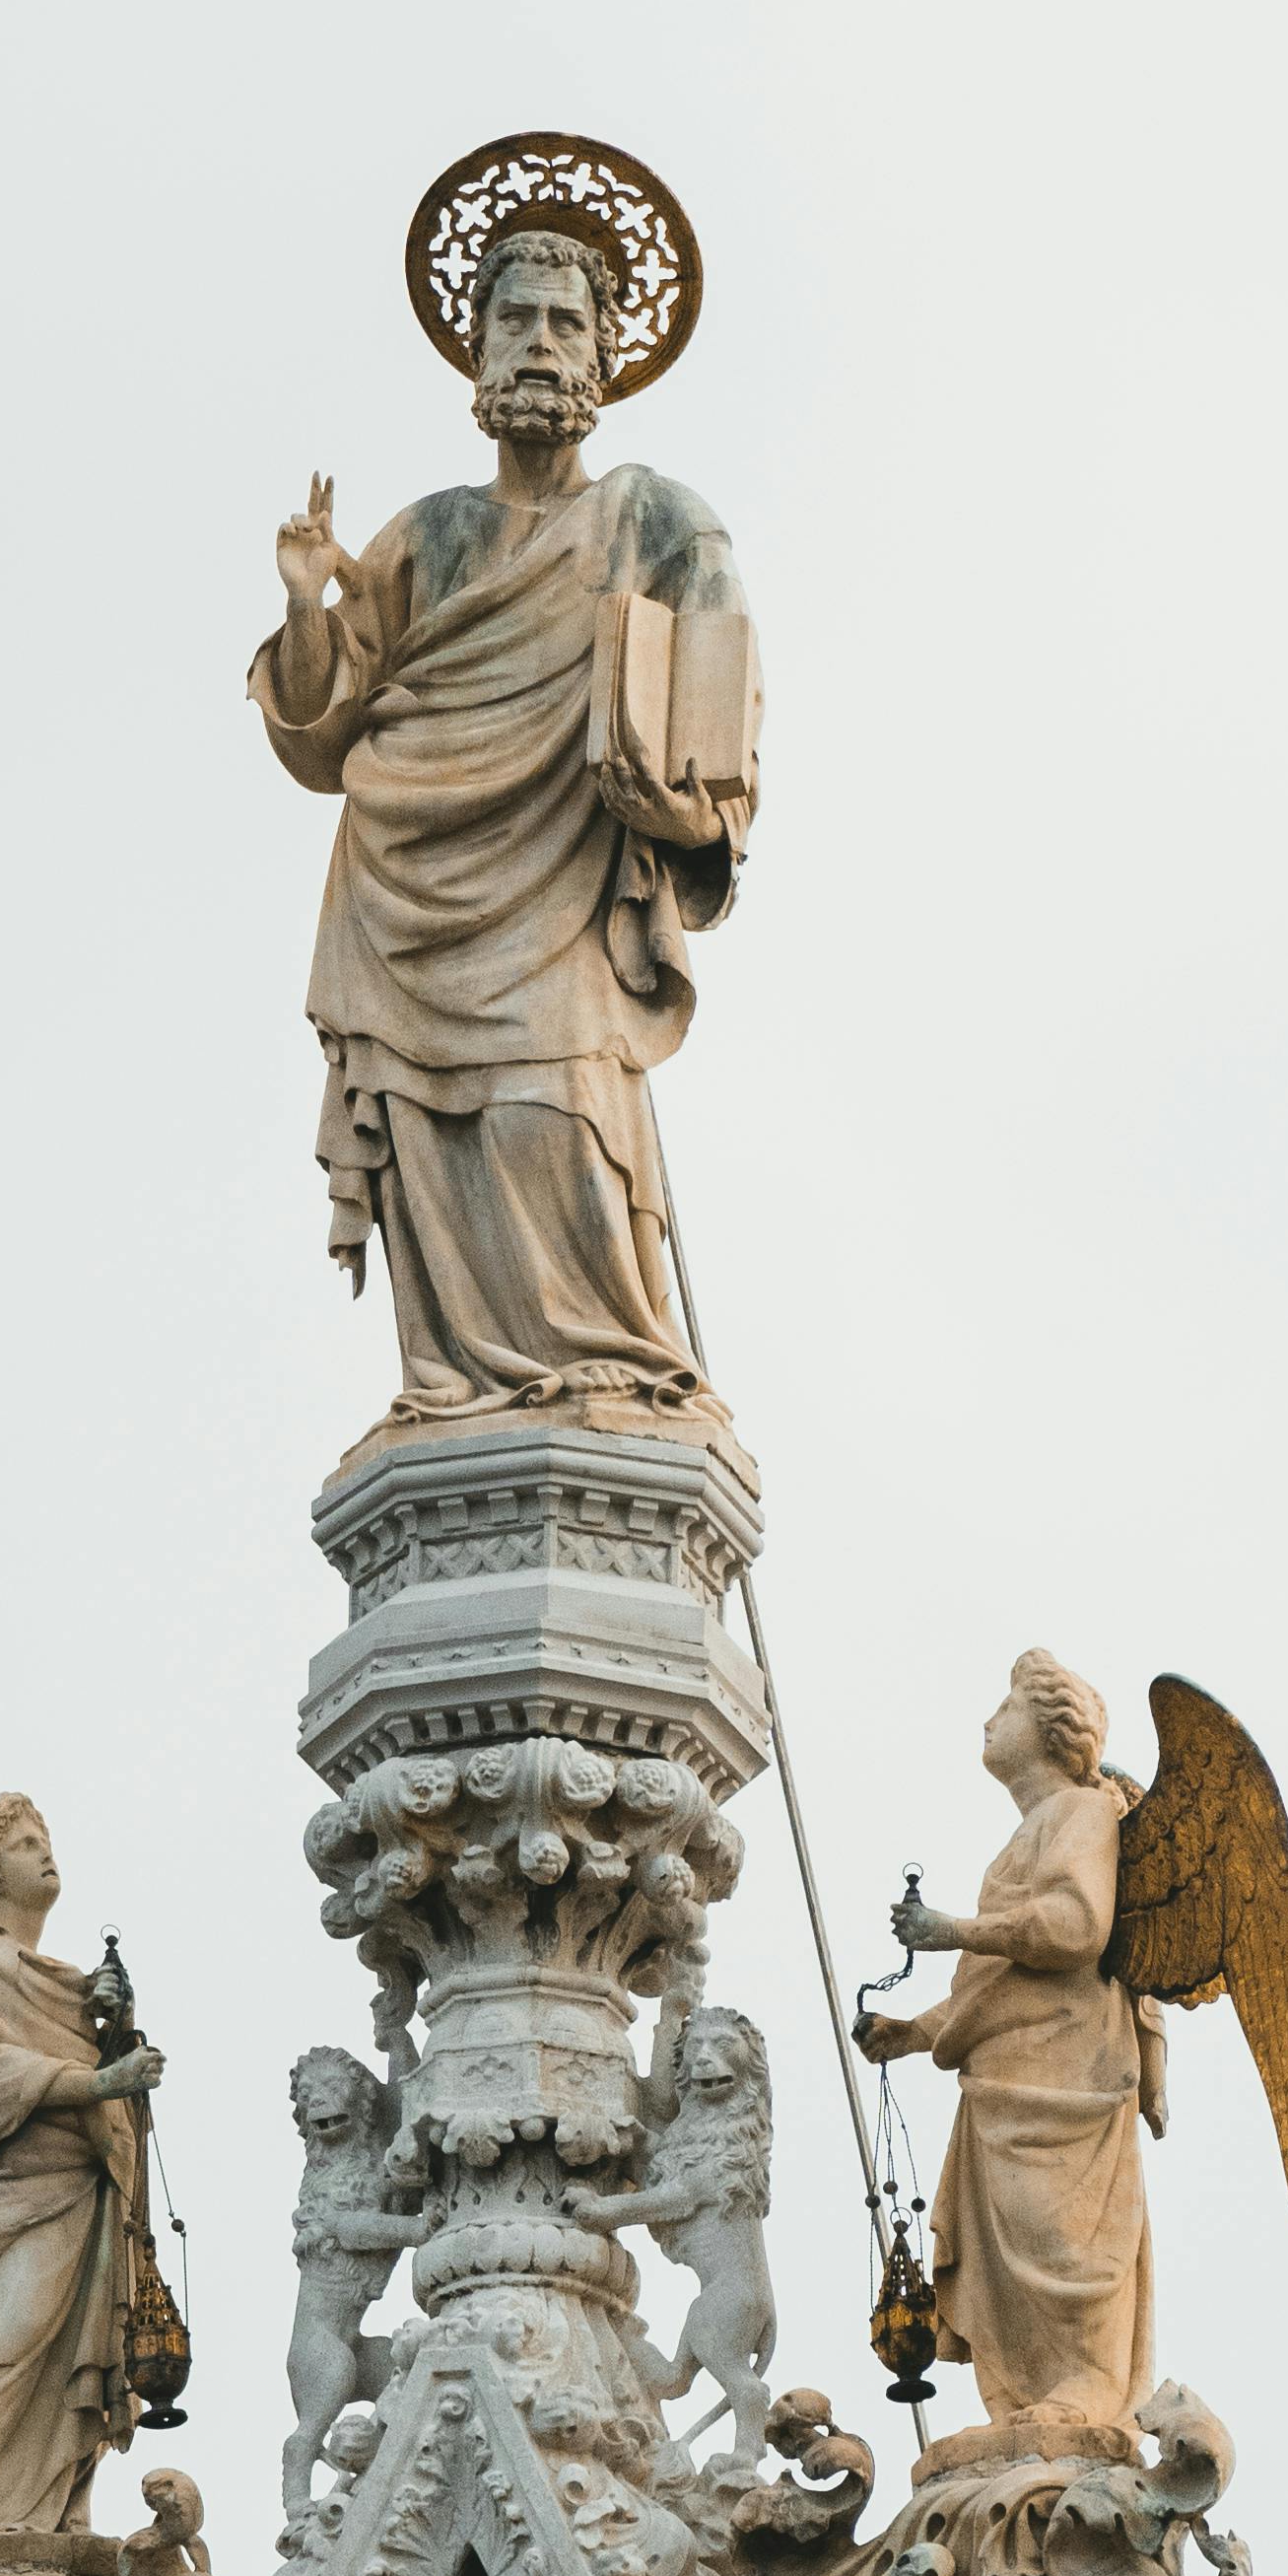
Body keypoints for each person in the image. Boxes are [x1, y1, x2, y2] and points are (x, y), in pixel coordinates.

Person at [256, 215, 753, 1419]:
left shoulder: (662, 527)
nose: (538, 343)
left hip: (568, 896)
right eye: (513, 320)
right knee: (436, 1167)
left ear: (604, 354)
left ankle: (615, 1376)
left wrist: (679, 811)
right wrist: (310, 604)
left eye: (564, 323)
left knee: (557, 1123)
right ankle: (459, 1393)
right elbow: (322, 732)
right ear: (475, 350)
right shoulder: (424, 538)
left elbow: (716, 745)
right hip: (406, 911)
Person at [860, 1649, 1153, 2430]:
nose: (990, 1720)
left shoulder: (1083, 1813)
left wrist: (951, 1929)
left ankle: (1085, 2388)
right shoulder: (1030, 1832)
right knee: (1012, 2243)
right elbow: (995, 1986)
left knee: (1059, 2238)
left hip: (1064, 2075)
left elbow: (1076, 1926)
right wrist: (910, 2033)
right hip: (1004, 2076)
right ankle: (1027, 2400)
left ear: (1054, 1728)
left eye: (1009, 1705)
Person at [0, 1794, 165, 2546]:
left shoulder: (70, 1980)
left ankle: (53, 2519)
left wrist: (113, 2026)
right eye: (23, 1844)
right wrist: (96, 2082)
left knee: (71, 2359)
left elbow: (111, 2081)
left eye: (43, 1840)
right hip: (8, 2195)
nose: (44, 1853)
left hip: (84, 2188)